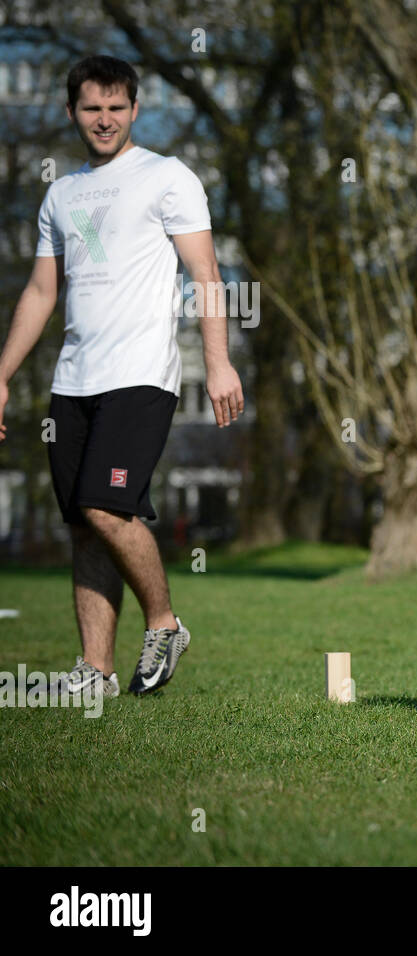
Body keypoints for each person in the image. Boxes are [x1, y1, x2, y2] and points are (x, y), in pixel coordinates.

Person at [0, 56, 243, 698]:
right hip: (73, 380)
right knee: (83, 523)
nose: (103, 119)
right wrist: (1, 373)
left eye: (115, 107)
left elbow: (206, 276)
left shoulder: (168, 177)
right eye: (90, 108)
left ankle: (163, 623)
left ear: (135, 109)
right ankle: (95, 671)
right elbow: (41, 291)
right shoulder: (62, 193)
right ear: (72, 112)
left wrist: (216, 362)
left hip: (140, 376)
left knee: (105, 507)